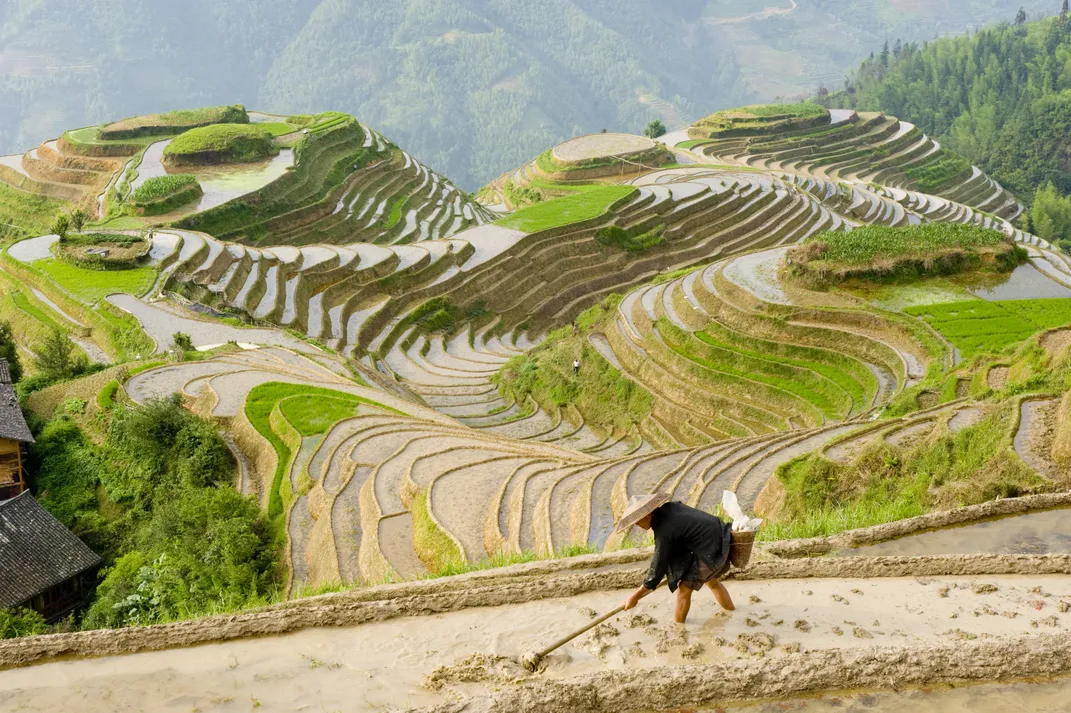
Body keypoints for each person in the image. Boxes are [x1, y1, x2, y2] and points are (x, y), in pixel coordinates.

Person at [618, 491, 734, 624]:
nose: (636, 524)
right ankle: (731, 612)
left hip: (711, 545)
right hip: (717, 535)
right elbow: (682, 539)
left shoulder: (664, 529)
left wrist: (635, 597)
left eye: (637, 519)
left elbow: (657, 567)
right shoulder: (669, 508)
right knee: (711, 580)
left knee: (684, 589)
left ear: (648, 513)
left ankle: (678, 629)